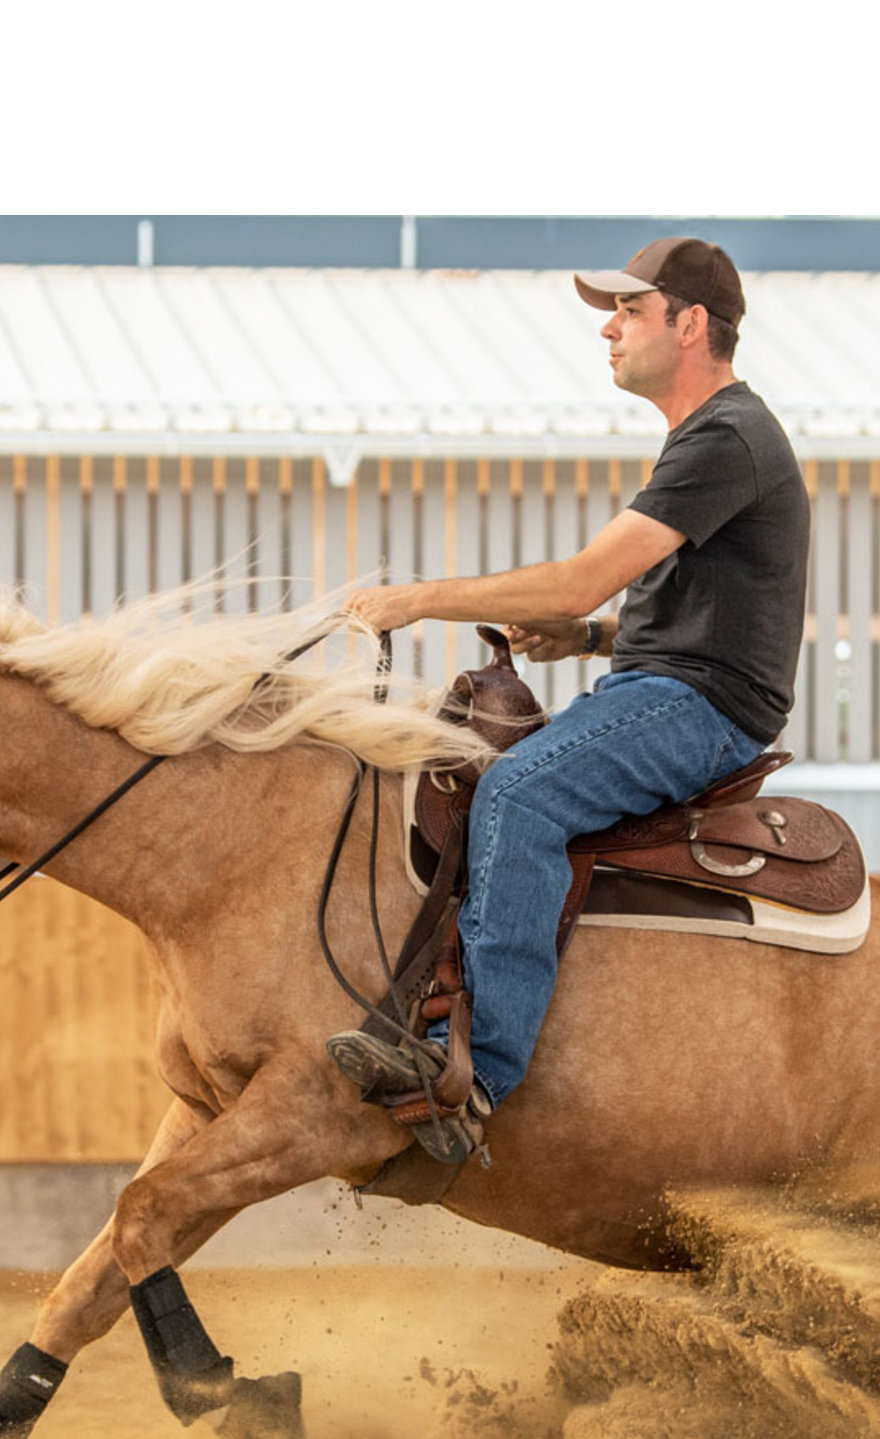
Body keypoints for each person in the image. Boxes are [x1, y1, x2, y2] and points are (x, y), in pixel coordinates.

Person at [331, 236, 811, 1162]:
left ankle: (475, 1080)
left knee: (519, 791)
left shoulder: (727, 438)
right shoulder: (710, 439)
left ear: (691, 323)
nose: (609, 326)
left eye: (630, 311)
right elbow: (688, 613)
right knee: (471, 771)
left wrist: (419, 599)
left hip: (698, 712)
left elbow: (578, 580)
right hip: (663, 684)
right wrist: (586, 643)